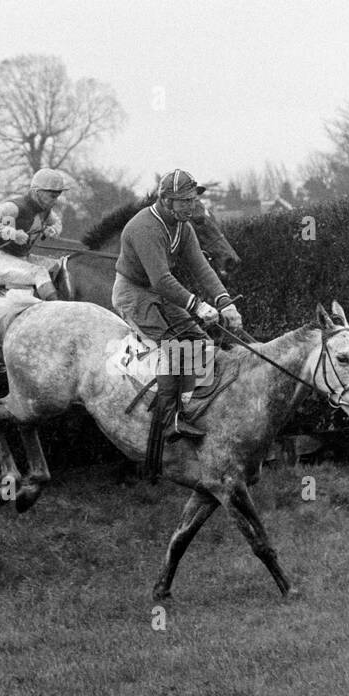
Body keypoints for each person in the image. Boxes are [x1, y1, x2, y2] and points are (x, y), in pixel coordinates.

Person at [113, 168, 243, 480]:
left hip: (159, 293)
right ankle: (169, 421)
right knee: (174, 345)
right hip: (133, 293)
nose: (191, 205)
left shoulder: (183, 227)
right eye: (184, 200)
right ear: (167, 200)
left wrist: (225, 302)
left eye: (193, 198)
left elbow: (200, 267)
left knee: (198, 341)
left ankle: (190, 407)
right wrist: (197, 305)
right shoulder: (145, 227)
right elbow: (160, 279)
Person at [0, 168, 71, 301]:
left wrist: (53, 230)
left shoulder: (46, 210)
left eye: (57, 196)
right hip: (0, 262)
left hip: (22, 259)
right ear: (37, 192)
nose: (55, 201)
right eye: (53, 196)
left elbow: (57, 223)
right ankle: (55, 306)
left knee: (59, 265)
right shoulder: (15, 207)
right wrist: (13, 234)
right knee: (40, 273)